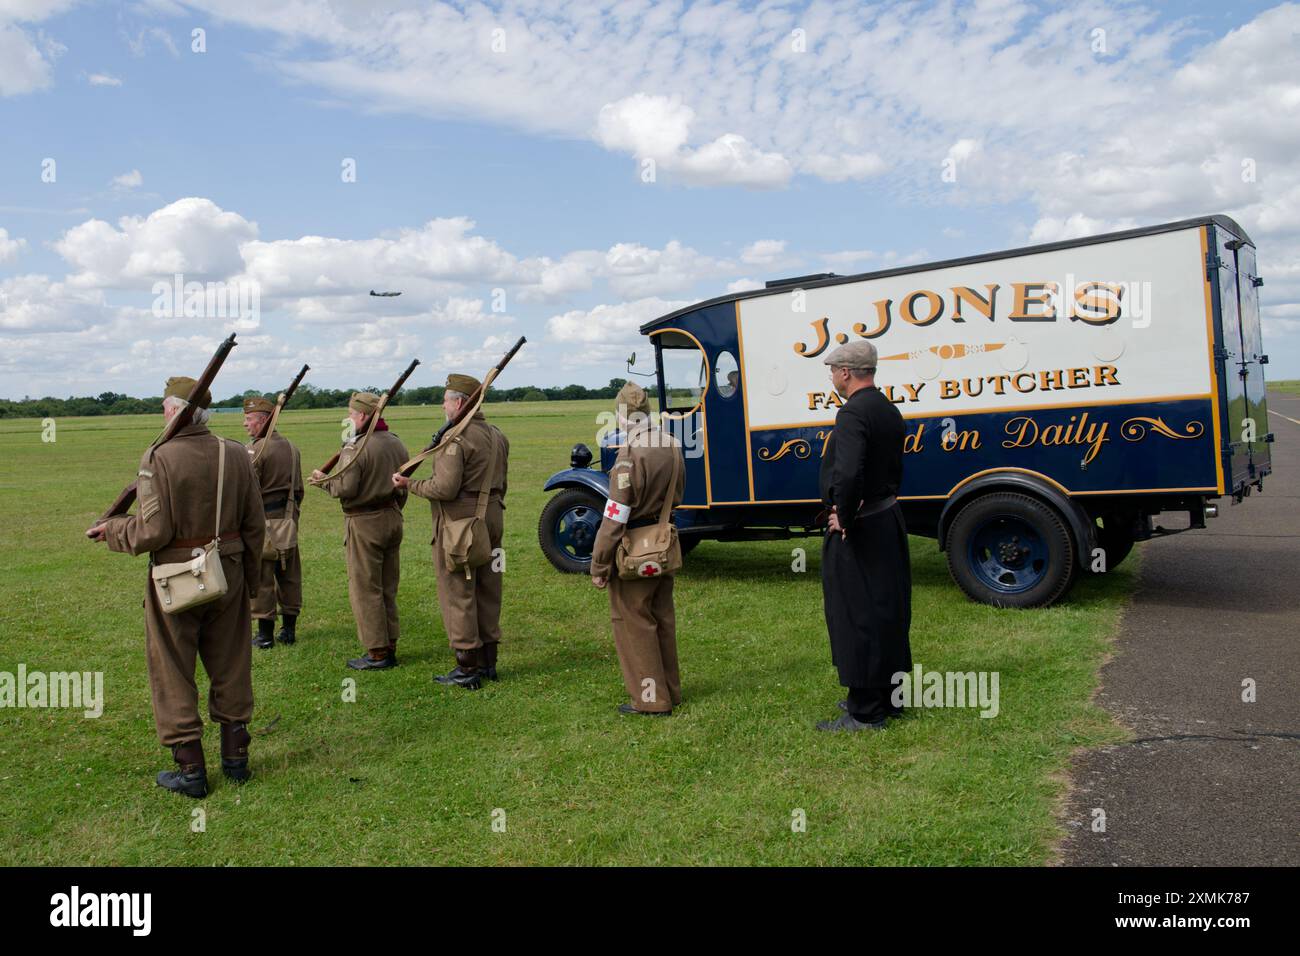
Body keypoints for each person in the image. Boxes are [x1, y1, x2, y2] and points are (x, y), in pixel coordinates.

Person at [85, 376, 265, 797]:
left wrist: (112, 531)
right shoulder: (236, 453)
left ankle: (191, 771)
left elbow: (153, 532)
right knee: (232, 662)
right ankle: (236, 760)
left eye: (165, 407)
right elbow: (255, 526)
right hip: (230, 573)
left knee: (172, 667)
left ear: (175, 411)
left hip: (175, 576)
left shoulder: (158, 458)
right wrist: (251, 583)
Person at [816, 340, 913, 732]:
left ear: (844, 372)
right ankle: (891, 695)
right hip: (887, 518)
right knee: (887, 609)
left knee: (857, 613)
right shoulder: (888, 409)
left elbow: (849, 472)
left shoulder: (853, 413)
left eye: (832, 371)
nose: (832, 378)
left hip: (863, 526)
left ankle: (865, 709)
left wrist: (845, 516)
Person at [393, 374, 509, 689]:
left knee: (458, 592)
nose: (442, 405)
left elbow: (444, 488)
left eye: (446, 399)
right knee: (488, 590)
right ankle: (488, 663)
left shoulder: (455, 439)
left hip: (460, 525)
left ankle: (467, 667)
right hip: (492, 518)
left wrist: (409, 484)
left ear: (458, 403)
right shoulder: (497, 435)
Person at [589, 382, 685, 716]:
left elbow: (615, 516)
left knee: (634, 623)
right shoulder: (671, 444)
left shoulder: (629, 455)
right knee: (662, 618)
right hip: (665, 540)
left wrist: (600, 564)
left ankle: (650, 699)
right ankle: (670, 690)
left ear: (622, 415)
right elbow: (680, 494)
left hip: (635, 548)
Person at [311, 392, 409, 670]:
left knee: (366, 590)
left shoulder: (356, 447)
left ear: (363, 416)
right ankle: (390, 643)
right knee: (387, 587)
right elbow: (403, 481)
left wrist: (323, 481)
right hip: (392, 516)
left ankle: (377, 652)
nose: (349, 419)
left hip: (364, 522)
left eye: (352, 414)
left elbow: (345, 488)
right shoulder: (396, 442)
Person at [242, 395, 304, 649]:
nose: (246, 424)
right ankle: (288, 630)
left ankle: (265, 635)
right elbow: (298, 491)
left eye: (249, 419)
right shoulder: (292, 447)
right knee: (289, 574)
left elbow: (247, 490)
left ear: (264, 420)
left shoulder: (255, 450)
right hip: (288, 520)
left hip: (263, 522)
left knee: (263, 577)